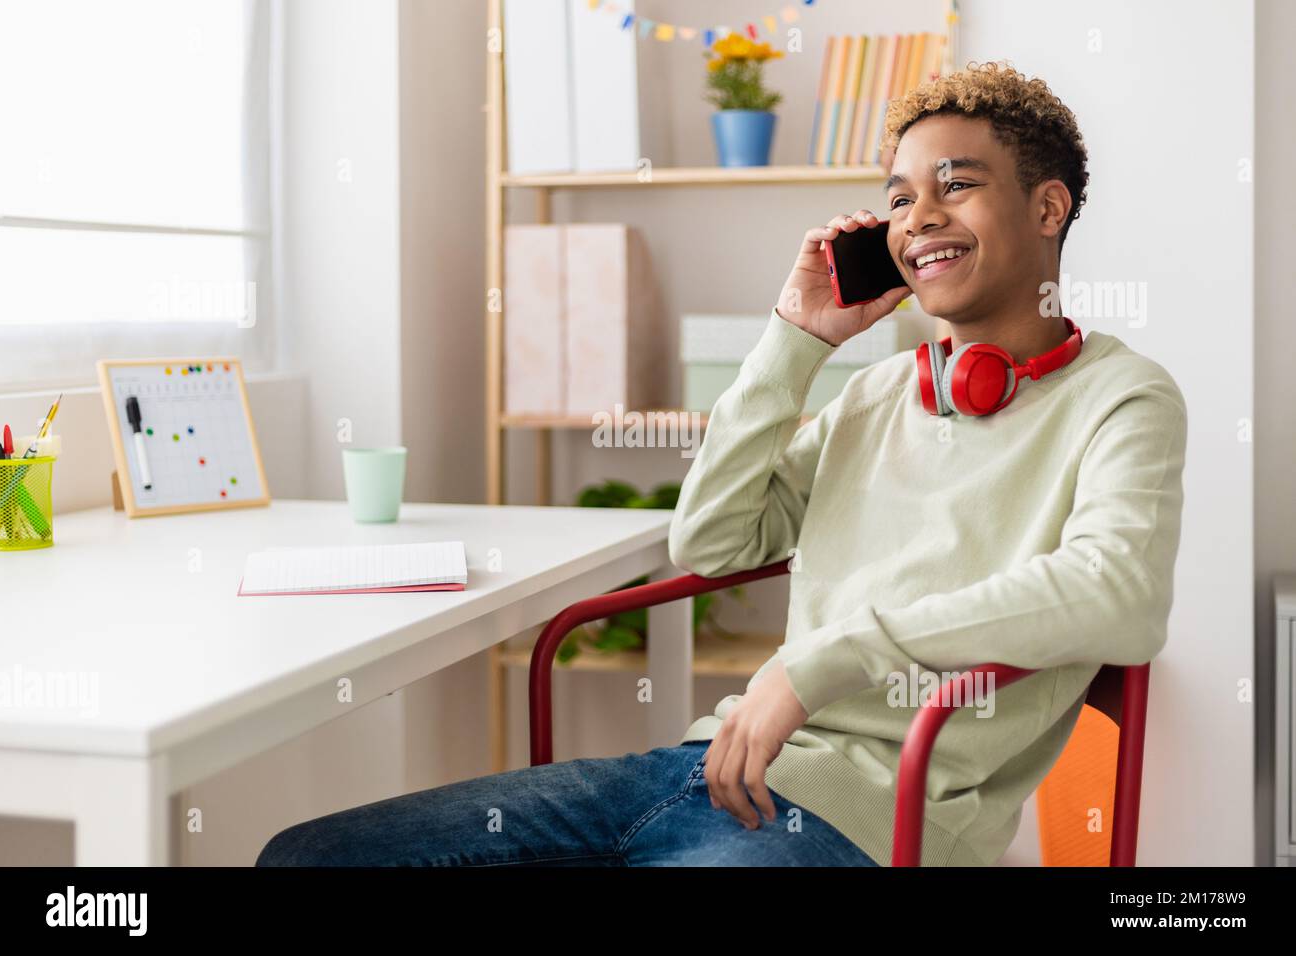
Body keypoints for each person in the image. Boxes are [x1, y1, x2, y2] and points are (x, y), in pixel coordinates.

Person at [257, 60, 1186, 867]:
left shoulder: (1125, 399)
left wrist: (815, 666)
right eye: (900, 196)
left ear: (1049, 205)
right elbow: (711, 537)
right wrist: (793, 343)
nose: (918, 218)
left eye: (956, 185)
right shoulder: (876, 395)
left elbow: (1119, 593)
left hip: (862, 823)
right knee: (304, 856)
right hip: (701, 766)